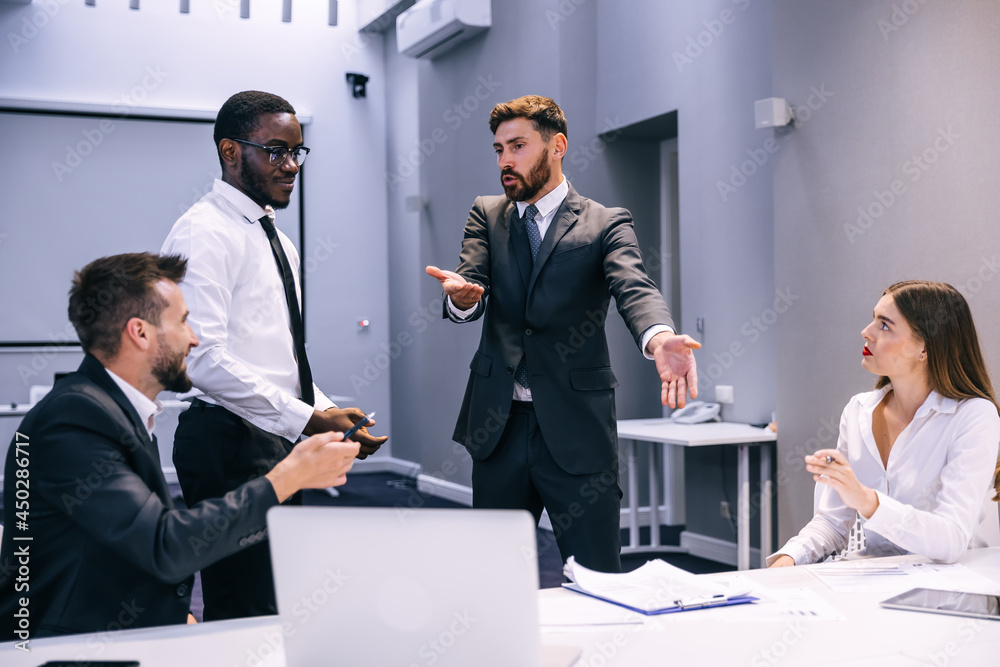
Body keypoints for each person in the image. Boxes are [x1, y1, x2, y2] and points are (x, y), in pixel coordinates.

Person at [0, 253, 360, 640]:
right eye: (183, 321)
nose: (194, 338)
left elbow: (127, 541)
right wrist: (287, 478)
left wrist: (171, 613)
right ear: (140, 333)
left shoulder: (114, 410)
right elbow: (162, 544)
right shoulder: (73, 419)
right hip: (61, 647)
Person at [425, 95, 700, 573]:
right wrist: (463, 300)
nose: (505, 160)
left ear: (557, 146)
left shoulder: (605, 222)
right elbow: (470, 283)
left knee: (596, 575)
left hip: (577, 429)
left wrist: (659, 338)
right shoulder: (486, 214)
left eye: (518, 146)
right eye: (498, 150)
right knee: (492, 575)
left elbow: (634, 287)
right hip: (498, 425)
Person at [769, 280, 1000, 567]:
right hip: (875, 579)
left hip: (951, 585)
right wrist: (788, 559)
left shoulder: (974, 415)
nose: (866, 332)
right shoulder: (858, 411)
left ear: (924, 347)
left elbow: (951, 540)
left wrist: (869, 502)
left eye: (885, 325)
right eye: (873, 320)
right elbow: (832, 523)